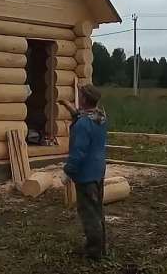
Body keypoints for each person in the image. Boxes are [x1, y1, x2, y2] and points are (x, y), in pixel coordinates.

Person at [60, 84, 108, 260]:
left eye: (80, 96)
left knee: (89, 213)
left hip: (86, 175)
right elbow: (84, 118)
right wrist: (70, 108)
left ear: (86, 99)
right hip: (98, 171)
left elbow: (78, 152)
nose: (78, 98)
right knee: (97, 210)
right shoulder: (100, 117)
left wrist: (68, 172)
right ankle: (101, 247)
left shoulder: (83, 125)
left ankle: (93, 253)